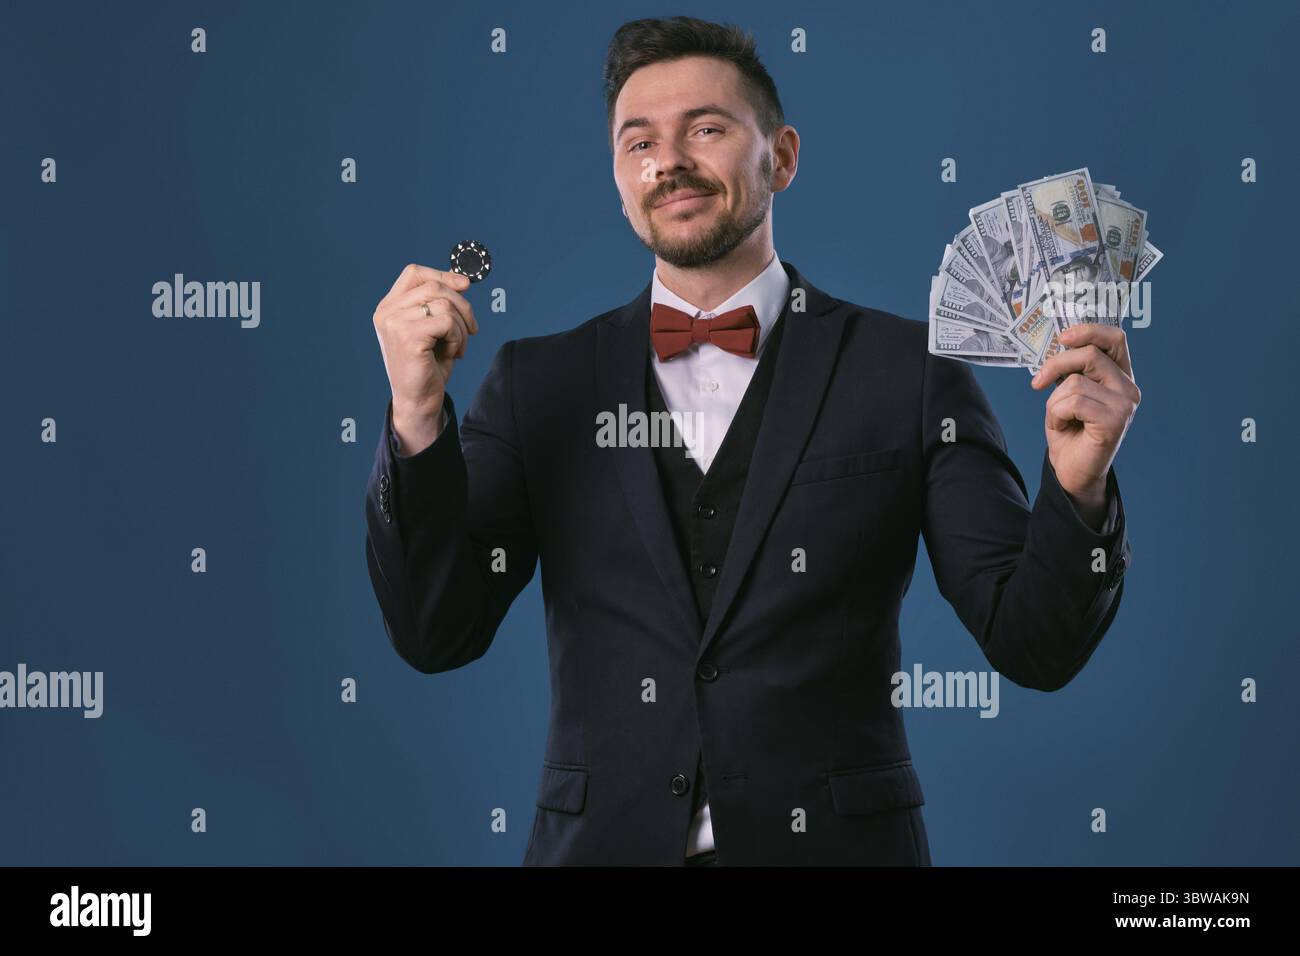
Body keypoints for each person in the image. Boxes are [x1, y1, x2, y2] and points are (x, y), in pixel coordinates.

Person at [364, 16, 1138, 867]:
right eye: (639, 143)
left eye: (706, 128)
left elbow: (1034, 643)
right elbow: (438, 631)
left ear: (782, 157)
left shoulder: (911, 374)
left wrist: (1079, 487)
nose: (670, 161)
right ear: (620, 184)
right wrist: (415, 415)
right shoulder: (535, 383)